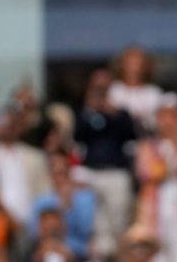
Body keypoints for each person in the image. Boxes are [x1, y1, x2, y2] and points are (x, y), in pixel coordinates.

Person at [74, 68, 137, 260]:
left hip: (115, 173)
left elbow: (130, 136)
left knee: (119, 223)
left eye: (104, 88)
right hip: (91, 172)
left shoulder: (120, 112)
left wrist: (113, 113)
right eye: (97, 88)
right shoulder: (83, 112)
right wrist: (89, 111)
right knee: (96, 225)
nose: (100, 93)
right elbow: (77, 136)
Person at [134, 93, 177, 262]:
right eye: (164, 116)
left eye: (174, 116)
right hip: (155, 201)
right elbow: (146, 173)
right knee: (157, 247)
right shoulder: (148, 145)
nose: (169, 122)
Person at [29, 152, 97, 261]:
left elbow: (86, 230)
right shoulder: (42, 201)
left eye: (63, 172)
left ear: (70, 172)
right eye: (56, 173)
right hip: (47, 248)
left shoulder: (85, 198)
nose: (60, 178)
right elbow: (34, 232)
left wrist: (70, 204)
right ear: (50, 175)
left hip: (77, 250)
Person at [109, 45, 163, 134]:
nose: (133, 68)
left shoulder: (154, 92)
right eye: (130, 63)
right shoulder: (113, 90)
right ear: (121, 64)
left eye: (137, 63)